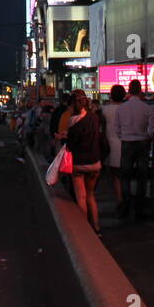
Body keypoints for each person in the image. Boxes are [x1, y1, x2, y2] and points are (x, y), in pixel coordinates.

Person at [63, 90, 106, 236]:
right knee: (91, 195)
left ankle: (85, 230)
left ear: (75, 103)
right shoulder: (95, 118)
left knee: (81, 197)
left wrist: (65, 137)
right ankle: (97, 227)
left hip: (79, 163)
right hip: (95, 162)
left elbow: (71, 143)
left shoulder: (73, 120)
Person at [116, 79, 154, 219]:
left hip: (127, 142)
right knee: (142, 175)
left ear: (129, 90)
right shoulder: (146, 108)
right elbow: (152, 128)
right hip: (142, 142)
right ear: (140, 91)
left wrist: (123, 136)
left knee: (125, 174)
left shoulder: (121, 108)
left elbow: (117, 128)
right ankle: (139, 206)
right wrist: (147, 136)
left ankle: (126, 202)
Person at [102, 85, 126, 211]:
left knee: (115, 176)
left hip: (111, 146)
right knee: (124, 175)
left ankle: (120, 201)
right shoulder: (126, 109)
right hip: (128, 145)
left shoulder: (105, 110)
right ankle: (124, 199)